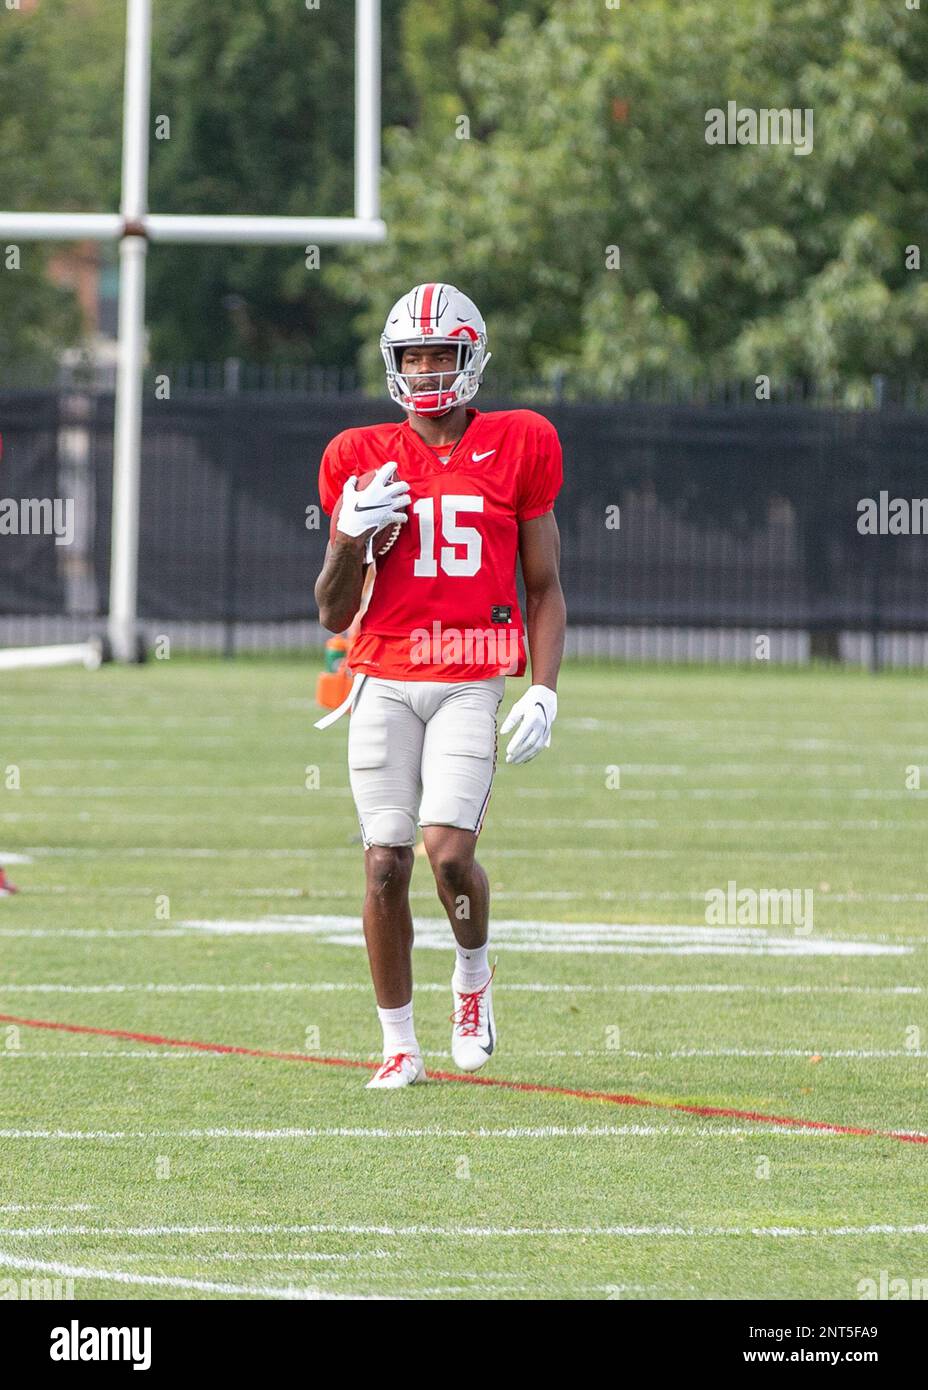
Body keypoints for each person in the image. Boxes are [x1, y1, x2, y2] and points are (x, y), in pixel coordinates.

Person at [314, 282, 565, 1088]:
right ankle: (398, 1043)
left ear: (471, 357)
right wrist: (351, 536)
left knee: (449, 856)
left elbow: (546, 587)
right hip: (382, 674)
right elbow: (331, 609)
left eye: (440, 355)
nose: (425, 372)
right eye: (413, 357)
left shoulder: (521, 443)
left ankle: (472, 975)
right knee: (385, 866)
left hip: (469, 671)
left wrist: (545, 686)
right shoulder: (357, 457)